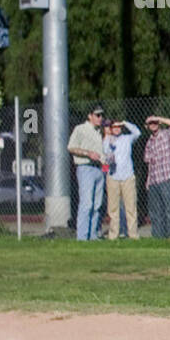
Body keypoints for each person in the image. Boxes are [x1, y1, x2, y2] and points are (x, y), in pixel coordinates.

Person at [67, 103, 107, 241]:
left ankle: (93, 235)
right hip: (85, 168)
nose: (100, 118)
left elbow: (102, 155)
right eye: (97, 115)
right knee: (87, 204)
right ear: (90, 116)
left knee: (97, 205)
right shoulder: (81, 129)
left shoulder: (99, 132)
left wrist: (105, 167)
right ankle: (82, 237)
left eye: (101, 115)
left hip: (99, 170)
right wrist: (87, 153)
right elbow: (71, 147)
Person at [102, 118, 142, 240]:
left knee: (130, 207)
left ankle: (133, 234)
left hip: (127, 177)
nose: (117, 129)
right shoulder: (108, 140)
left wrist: (125, 123)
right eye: (114, 127)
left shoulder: (127, 138)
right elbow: (105, 152)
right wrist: (108, 137)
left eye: (118, 126)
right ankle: (113, 234)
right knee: (113, 208)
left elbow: (137, 133)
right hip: (113, 177)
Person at [143, 115, 170, 239]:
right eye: (150, 123)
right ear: (147, 127)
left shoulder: (166, 134)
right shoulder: (149, 143)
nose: (153, 125)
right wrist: (148, 181)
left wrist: (159, 118)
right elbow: (149, 164)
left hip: (167, 178)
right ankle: (158, 238)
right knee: (156, 212)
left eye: (155, 122)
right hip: (154, 180)